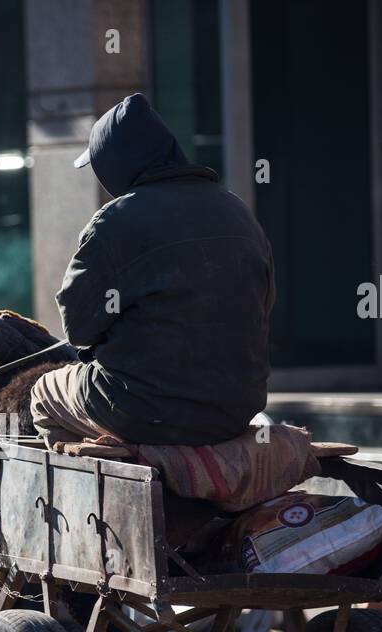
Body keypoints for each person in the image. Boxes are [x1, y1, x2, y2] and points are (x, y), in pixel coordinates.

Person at [30, 92, 275, 449]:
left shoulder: (113, 223)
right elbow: (264, 304)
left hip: (144, 412)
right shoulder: (238, 212)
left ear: (114, 164)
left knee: (42, 392)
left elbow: (78, 328)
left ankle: (99, 475)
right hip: (235, 411)